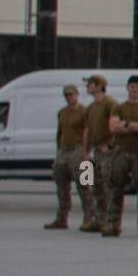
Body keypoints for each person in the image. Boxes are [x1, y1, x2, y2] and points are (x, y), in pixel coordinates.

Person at [103, 75, 138, 238]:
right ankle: (112, 225)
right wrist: (135, 127)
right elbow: (113, 127)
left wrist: (126, 124)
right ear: (127, 88)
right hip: (120, 150)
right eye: (132, 86)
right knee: (115, 187)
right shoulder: (118, 108)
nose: (135, 89)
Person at [45, 83, 90, 230]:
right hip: (64, 149)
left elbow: (88, 132)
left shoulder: (85, 112)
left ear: (77, 95)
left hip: (79, 149)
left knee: (84, 184)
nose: (69, 98)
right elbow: (60, 133)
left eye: (71, 94)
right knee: (61, 182)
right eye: (66, 95)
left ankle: (89, 217)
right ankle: (62, 217)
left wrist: (86, 152)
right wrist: (58, 152)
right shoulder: (62, 112)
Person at [80, 74, 118, 233]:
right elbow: (87, 130)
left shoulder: (110, 103)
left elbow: (116, 127)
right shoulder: (90, 108)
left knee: (108, 187)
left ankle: (110, 221)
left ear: (98, 85)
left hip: (107, 152)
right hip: (95, 151)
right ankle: (99, 219)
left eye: (90, 84)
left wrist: (110, 146)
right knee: (94, 186)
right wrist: (86, 151)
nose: (87, 87)